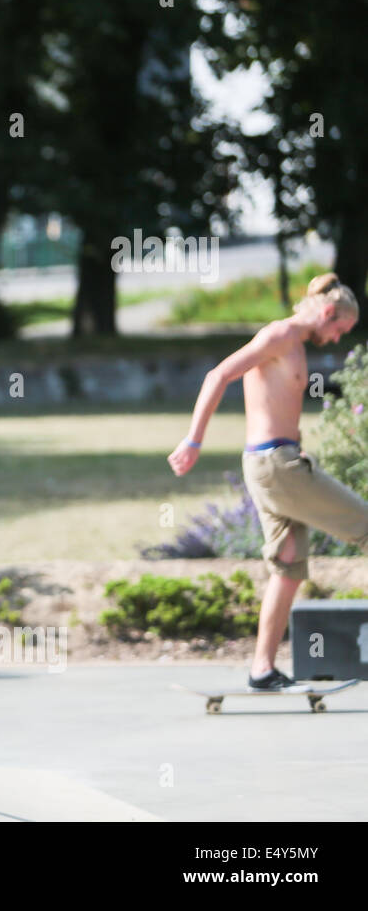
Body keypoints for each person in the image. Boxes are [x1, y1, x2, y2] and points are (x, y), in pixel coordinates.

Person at [168, 273, 365, 691]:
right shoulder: (279, 335)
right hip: (275, 466)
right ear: (328, 313)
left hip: (276, 461)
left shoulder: (292, 344)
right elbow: (218, 376)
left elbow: (276, 404)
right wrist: (193, 440)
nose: (334, 341)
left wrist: (298, 444)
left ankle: (261, 669)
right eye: (338, 331)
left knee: (289, 567)